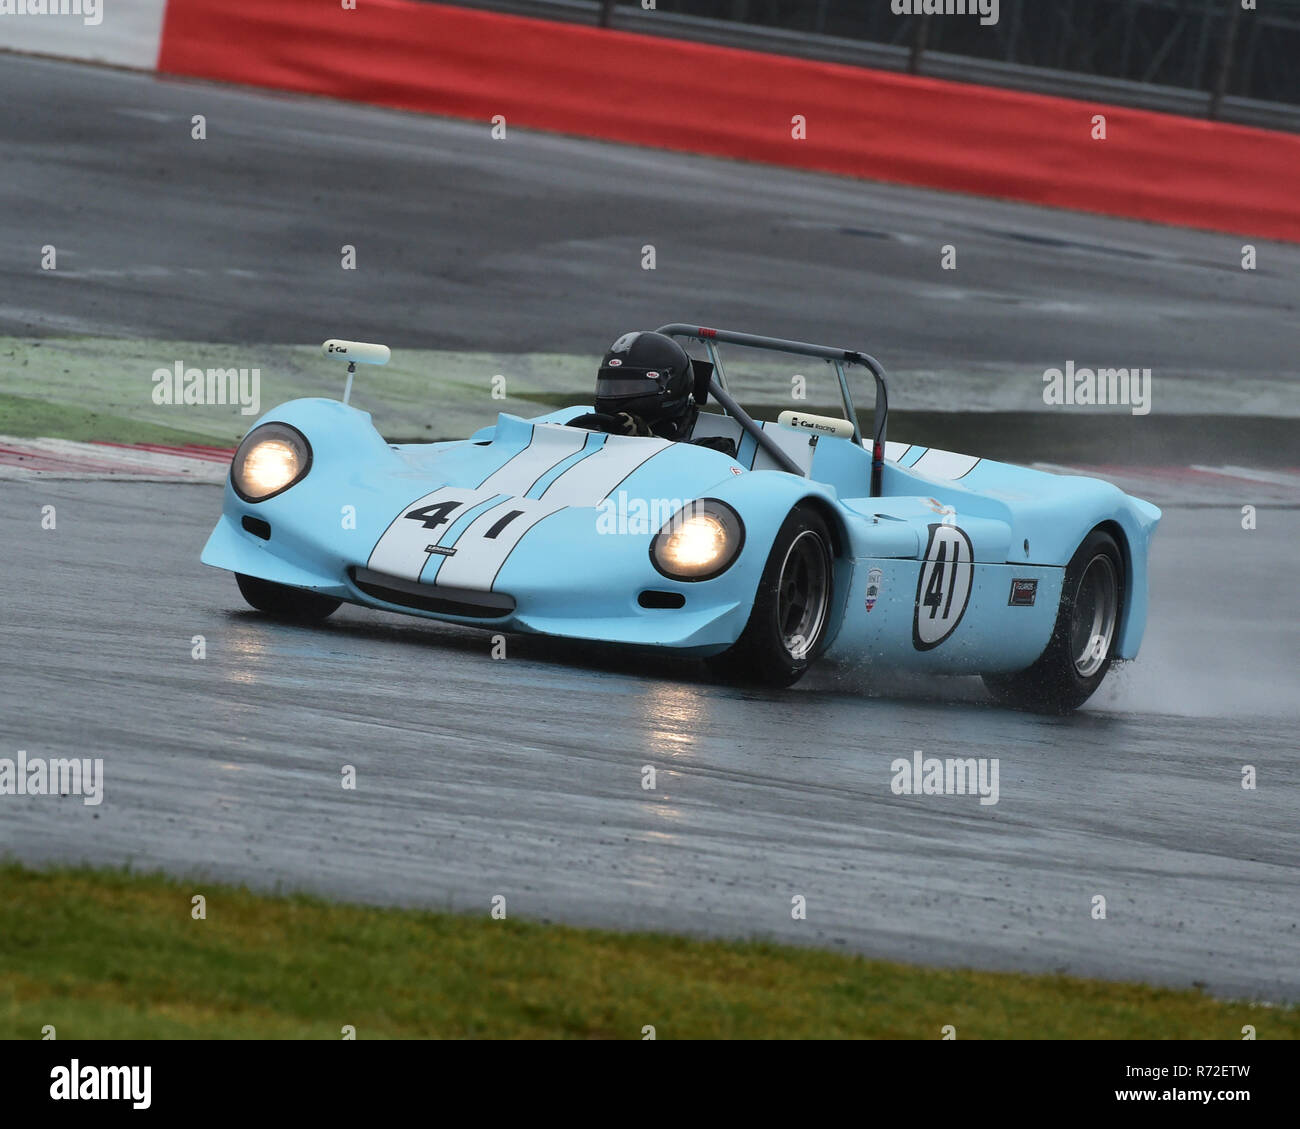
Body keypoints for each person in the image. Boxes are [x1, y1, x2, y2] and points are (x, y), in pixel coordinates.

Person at [567, 331, 736, 455]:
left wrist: (650, 440)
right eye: (614, 387)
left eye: (632, 387)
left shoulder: (714, 449)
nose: (618, 394)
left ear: (671, 388)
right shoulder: (587, 426)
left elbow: (714, 461)